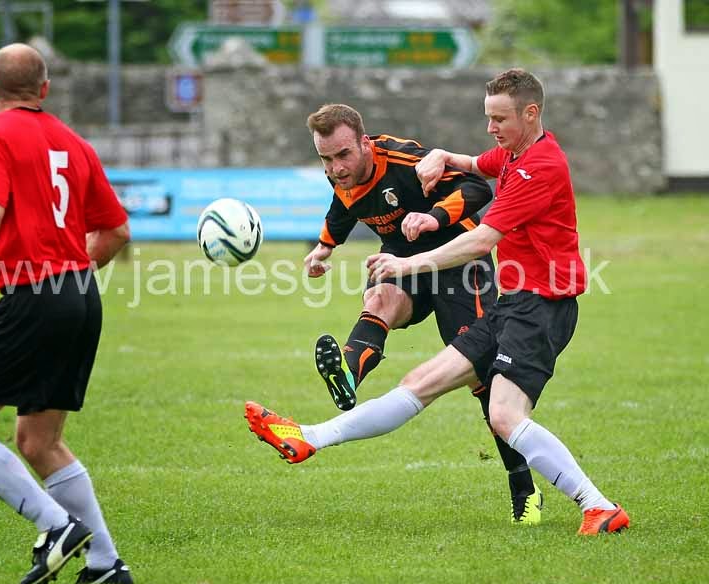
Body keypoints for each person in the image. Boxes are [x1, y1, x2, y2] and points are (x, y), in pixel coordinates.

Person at [246, 69, 630, 535]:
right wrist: (444, 155)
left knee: (504, 414)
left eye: (499, 118)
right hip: (517, 304)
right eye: (488, 117)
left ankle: (595, 504)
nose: (490, 127)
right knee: (421, 380)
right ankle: (307, 437)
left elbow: (478, 241)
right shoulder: (514, 153)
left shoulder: (537, 168)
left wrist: (407, 262)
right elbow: (478, 162)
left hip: (541, 307)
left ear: (531, 114)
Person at [0, 43, 135, 584]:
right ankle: (106, 565)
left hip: (36, 298)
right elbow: (116, 231)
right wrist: (68, 277)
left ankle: (56, 527)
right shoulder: (75, 142)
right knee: (39, 441)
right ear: (44, 90)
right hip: (82, 297)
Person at [301, 103, 543, 524]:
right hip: (401, 259)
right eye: (326, 158)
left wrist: (432, 217)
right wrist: (325, 245)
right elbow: (345, 203)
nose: (336, 167)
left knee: (483, 379)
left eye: (343, 155)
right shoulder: (342, 173)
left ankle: (522, 483)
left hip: (457, 262)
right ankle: (348, 374)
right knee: (378, 301)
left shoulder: (405, 161)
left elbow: (478, 189)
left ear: (364, 142)